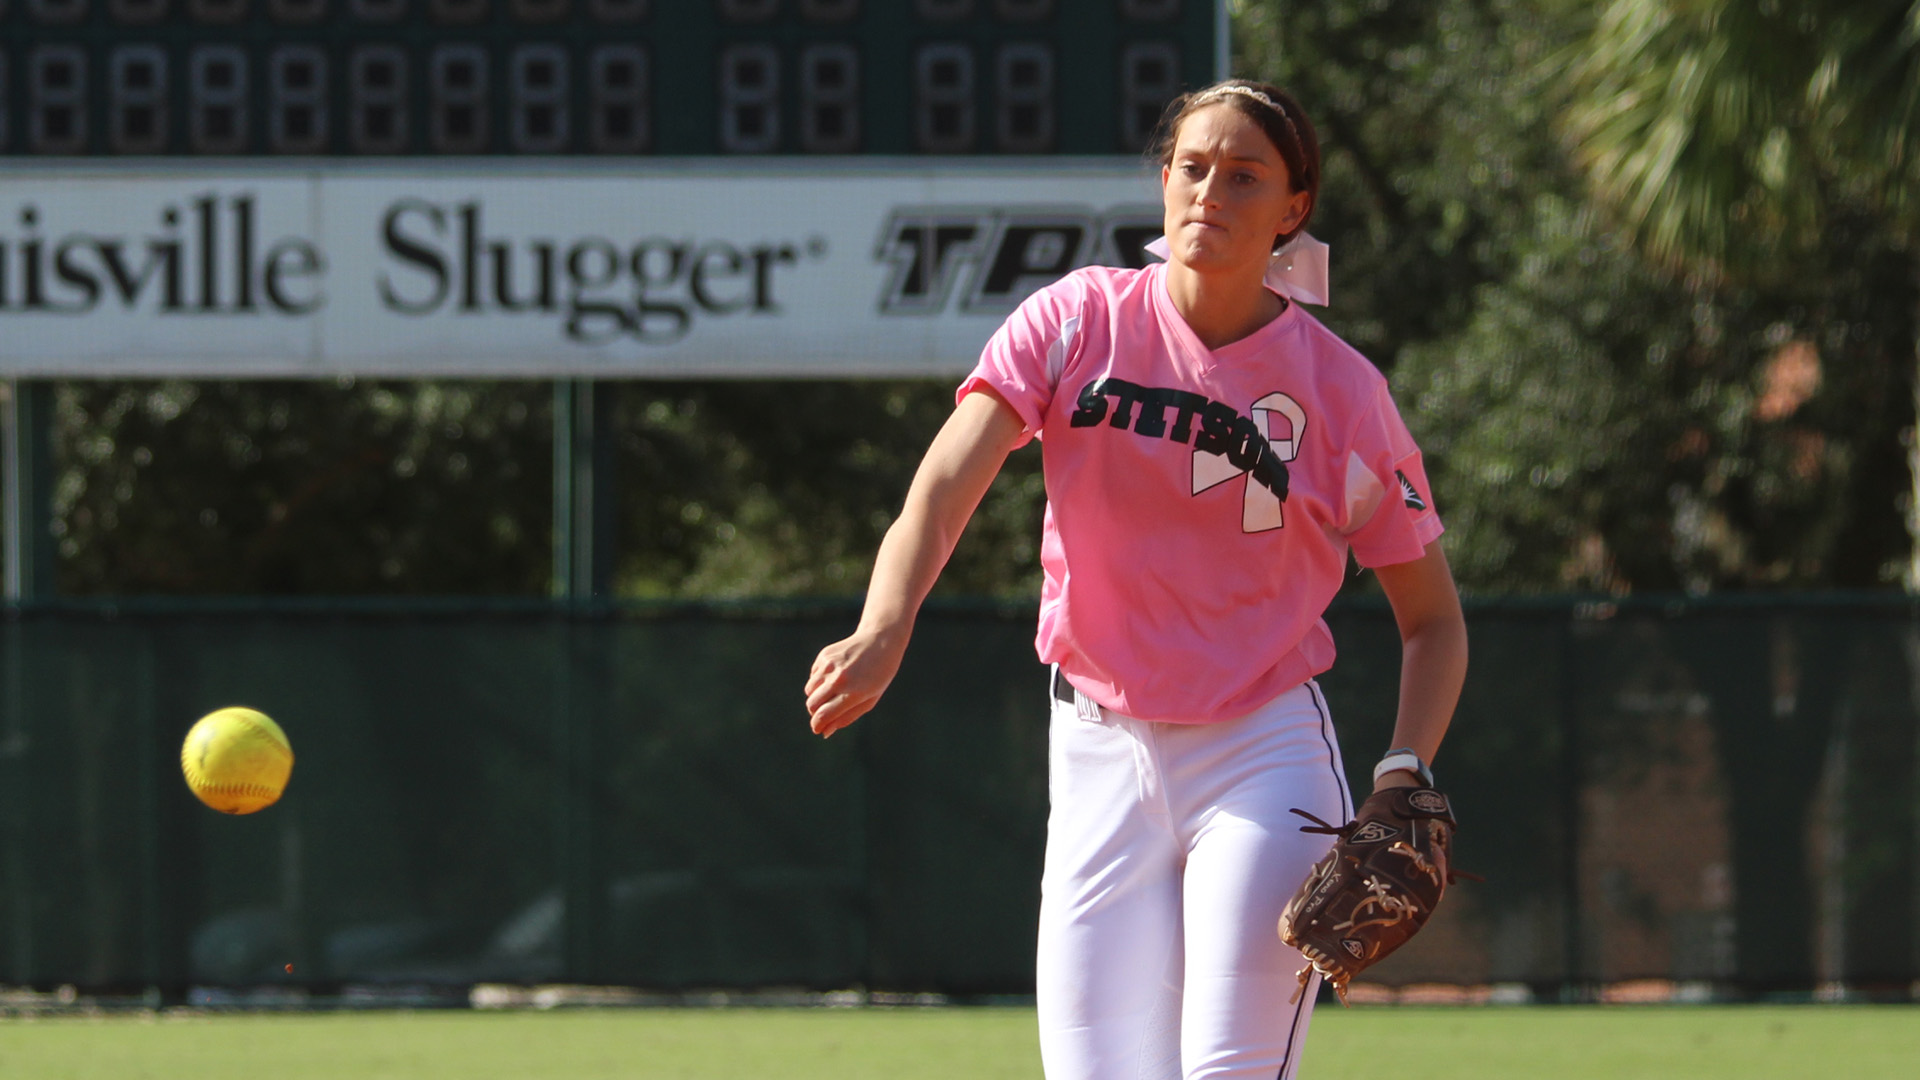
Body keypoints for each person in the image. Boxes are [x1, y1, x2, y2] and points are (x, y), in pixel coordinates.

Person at [804, 79, 1467, 1080]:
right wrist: (884, 624)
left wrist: (1403, 770)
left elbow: (1433, 623)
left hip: (1260, 752)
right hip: (1096, 749)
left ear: (1293, 209)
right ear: (1163, 183)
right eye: (1193, 168)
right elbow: (942, 486)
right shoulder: (1078, 322)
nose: (1211, 192)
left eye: (1245, 176)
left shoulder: (1343, 394)